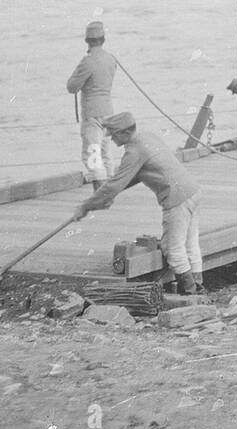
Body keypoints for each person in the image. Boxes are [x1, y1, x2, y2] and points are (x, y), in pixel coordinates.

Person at [71, 112, 204, 295]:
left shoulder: (134, 151)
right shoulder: (148, 137)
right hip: (193, 191)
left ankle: (190, 294)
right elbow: (131, 177)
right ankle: (198, 287)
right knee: (191, 245)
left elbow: (115, 183)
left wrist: (85, 206)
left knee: (173, 249)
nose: (112, 139)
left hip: (176, 200)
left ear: (124, 133)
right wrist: (110, 194)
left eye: (114, 135)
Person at [66, 20, 117, 187]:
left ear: (87, 41)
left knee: (92, 153)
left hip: (92, 113)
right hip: (108, 110)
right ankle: (109, 188)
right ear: (103, 39)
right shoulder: (111, 59)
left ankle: (99, 191)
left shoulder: (87, 61)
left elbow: (72, 86)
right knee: (105, 151)